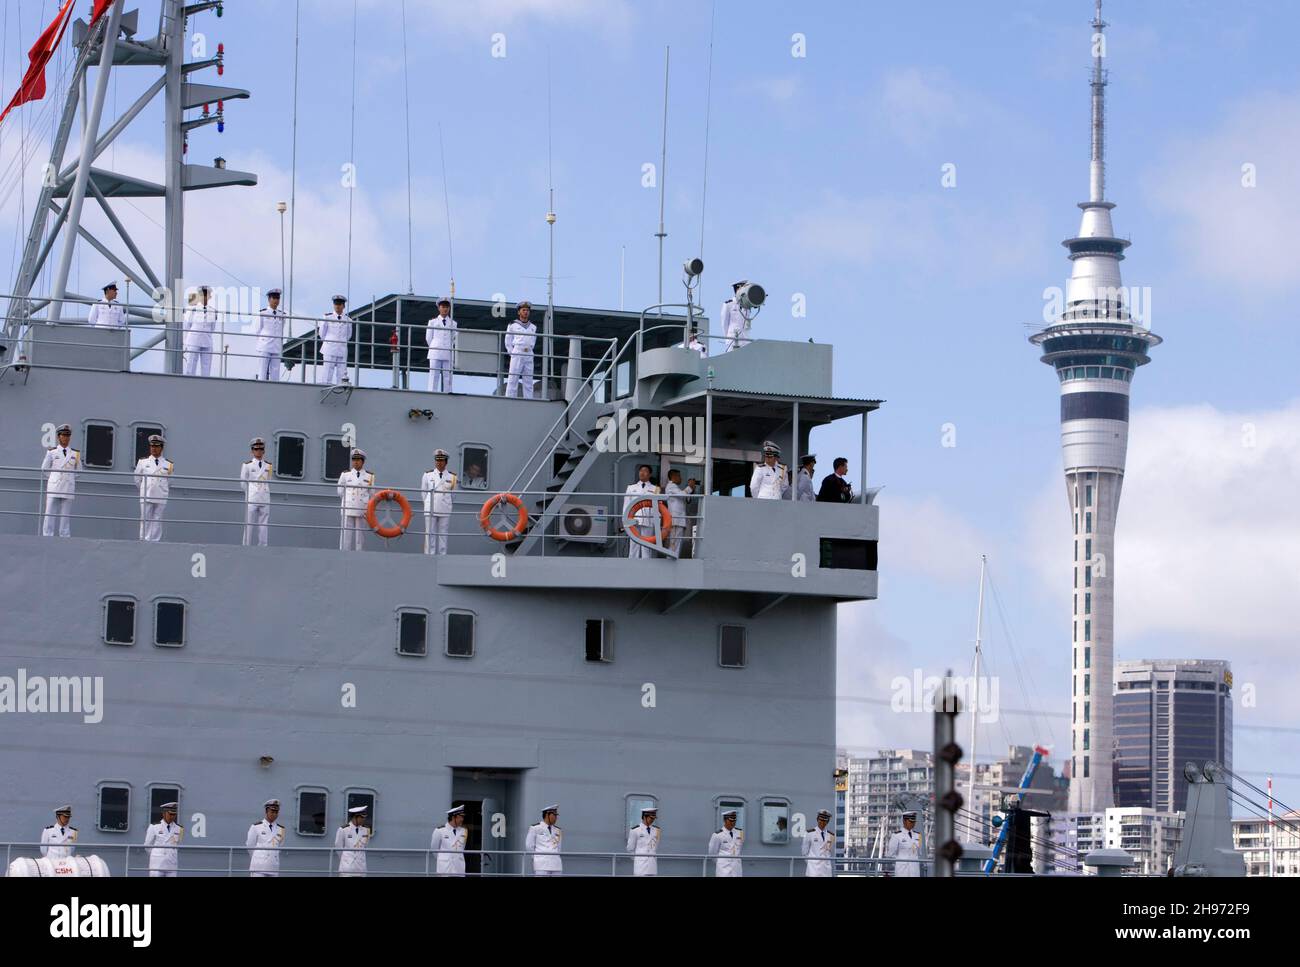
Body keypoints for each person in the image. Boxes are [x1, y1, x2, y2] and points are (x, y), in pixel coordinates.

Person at [41, 423, 78, 537]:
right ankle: (47, 534)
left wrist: (69, 477)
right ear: (58, 437)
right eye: (63, 435)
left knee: (65, 515)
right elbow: (44, 468)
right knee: (49, 513)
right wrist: (54, 477)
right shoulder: (52, 452)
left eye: (68, 435)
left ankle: (64, 535)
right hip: (54, 485)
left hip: (68, 485)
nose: (65, 438)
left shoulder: (75, 453)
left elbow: (78, 471)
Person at [135, 434, 173, 542]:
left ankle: (155, 540)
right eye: (152, 446)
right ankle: (144, 539)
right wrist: (144, 489)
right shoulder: (142, 462)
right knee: (145, 518)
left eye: (156, 446)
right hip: (146, 494)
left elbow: (170, 481)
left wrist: (161, 488)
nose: (153, 449)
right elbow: (137, 479)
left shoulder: (168, 464)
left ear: (161, 448)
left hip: (161, 495)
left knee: (157, 519)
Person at [337, 448, 374, 551]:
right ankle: (343, 552)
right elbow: (340, 491)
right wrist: (347, 501)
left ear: (363, 461)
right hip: (347, 508)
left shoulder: (369, 476)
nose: (355, 462)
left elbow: (371, 493)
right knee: (345, 535)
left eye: (358, 460)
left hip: (362, 508)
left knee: (360, 536)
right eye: (354, 460)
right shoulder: (345, 474)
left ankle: (359, 554)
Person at [420, 448, 457, 555]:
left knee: (443, 534)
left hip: (445, 508)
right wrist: (427, 503)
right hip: (430, 508)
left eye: (441, 460)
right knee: (429, 534)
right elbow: (424, 493)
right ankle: (429, 555)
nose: (439, 463)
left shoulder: (452, 477)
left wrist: (447, 503)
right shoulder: (427, 475)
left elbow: (453, 495)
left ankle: (442, 555)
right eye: (437, 460)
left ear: (446, 462)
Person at [622, 464, 660, 559]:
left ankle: (646, 568)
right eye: (641, 471)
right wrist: (625, 520)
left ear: (649, 474)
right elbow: (626, 505)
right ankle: (631, 566)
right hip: (633, 519)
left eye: (645, 471)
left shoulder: (655, 489)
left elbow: (657, 506)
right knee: (633, 546)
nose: (642, 473)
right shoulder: (631, 487)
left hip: (648, 519)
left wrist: (657, 521)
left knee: (646, 547)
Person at [240, 437, 272, 547]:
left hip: (264, 497)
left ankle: (263, 545)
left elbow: (268, 480)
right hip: (252, 497)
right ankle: (246, 545)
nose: (258, 451)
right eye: (256, 449)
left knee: (264, 524)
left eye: (260, 449)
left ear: (264, 451)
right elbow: (243, 482)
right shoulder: (247, 465)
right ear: (252, 451)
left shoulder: (269, 465)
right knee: (249, 523)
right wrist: (250, 493)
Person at [182, 285, 218, 376]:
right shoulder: (192, 309)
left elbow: (212, 327)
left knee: (206, 365)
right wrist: (185, 341)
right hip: (194, 339)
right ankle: (189, 381)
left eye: (207, 295)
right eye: (203, 295)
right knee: (191, 364)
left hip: (207, 340)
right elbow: (187, 326)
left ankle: (205, 382)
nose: (205, 297)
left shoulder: (213, 311)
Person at [504, 301, 538, 399]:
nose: (526, 312)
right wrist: (513, 353)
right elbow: (508, 340)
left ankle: (528, 399)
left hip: (529, 353)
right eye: (523, 310)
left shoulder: (533, 327)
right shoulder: (513, 325)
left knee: (528, 380)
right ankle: (510, 398)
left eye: (527, 310)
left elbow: (533, 341)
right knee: (513, 378)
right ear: (519, 312)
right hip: (517, 352)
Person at [253, 288, 286, 381]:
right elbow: (257, 330)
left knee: (275, 371)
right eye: (274, 298)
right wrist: (262, 341)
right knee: (262, 370)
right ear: (269, 299)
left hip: (276, 345)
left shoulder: (282, 315)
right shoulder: (262, 313)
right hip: (265, 345)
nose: (276, 300)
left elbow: (281, 329)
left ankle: (275, 387)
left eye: (278, 298)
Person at [318, 296, 353, 384]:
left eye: (339, 304)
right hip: (330, 348)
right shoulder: (327, 317)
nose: (337, 306)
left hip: (342, 349)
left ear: (343, 306)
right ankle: (325, 385)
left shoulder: (348, 319)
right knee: (327, 371)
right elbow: (322, 334)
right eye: (336, 304)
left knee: (342, 373)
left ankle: (340, 388)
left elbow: (349, 335)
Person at [246, 799, 285, 877]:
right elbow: (250, 845)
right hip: (258, 865)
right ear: (266, 811)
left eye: (276, 812)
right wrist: (257, 856)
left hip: (273, 865)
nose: (274, 814)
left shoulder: (281, 829)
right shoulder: (256, 826)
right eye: (272, 811)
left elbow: (280, 846)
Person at [662, 469, 696, 556]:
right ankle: (671, 560)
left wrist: (692, 489)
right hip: (675, 520)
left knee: (676, 543)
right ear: (674, 477)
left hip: (678, 520)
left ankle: (673, 558)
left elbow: (686, 499)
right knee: (673, 543)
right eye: (679, 476)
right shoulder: (671, 486)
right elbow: (682, 494)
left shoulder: (675, 488)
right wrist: (689, 487)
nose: (681, 478)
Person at [143, 802, 183, 877]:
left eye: (174, 814)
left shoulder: (179, 829)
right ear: (164, 814)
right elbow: (147, 845)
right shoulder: (154, 826)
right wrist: (156, 853)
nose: (172, 817)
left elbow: (178, 844)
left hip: (171, 863)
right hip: (157, 863)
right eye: (170, 814)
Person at [426, 298, 456, 393]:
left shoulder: (453, 323)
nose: (445, 309)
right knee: (434, 374)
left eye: (447, 307)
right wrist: (435, 347)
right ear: (439, 308)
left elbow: (454, 338)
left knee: (448, 375)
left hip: (448, 351)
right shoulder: (433, 322)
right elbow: (428, 338)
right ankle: (432, 392)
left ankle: (448, 392)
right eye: (443, 307)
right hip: (435, 351)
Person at [525, 805, 563, 877]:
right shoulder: (535, 828)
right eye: (554, 815)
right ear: (547, 815)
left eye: (556, 815)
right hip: (541, 863)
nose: (556, 818)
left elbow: (559, 848)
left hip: (556, 864)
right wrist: (536, 858)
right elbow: (529, 845)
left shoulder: (558, 830)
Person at [335, 805, 371, 877]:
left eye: (364, 817)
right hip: (347, 865)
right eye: (362, 817)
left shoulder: (366, 830)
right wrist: (346, 858)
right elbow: (338, 846)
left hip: (360, 866)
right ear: (355, 817)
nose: (364, 819)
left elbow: (365, 845)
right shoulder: (343, 829)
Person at [432, 805, 468, 876]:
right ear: (453, 817)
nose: (462, 819)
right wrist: (443, 858)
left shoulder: (464, 831)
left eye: (462, 817)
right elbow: (434, 849)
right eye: (460, 817)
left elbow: (462, 848)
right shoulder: (440, 830)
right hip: (445, 867)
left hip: (459, 867)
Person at [885, 810, 923, 877]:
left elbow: (920, 853)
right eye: (910, 821)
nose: (913, 823)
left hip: (915, 870)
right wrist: (900, 860)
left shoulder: (918, 835)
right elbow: (890, 854)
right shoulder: (896, 835)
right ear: (904, 821)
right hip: (902, 870)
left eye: (914, 822)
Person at [708, 809, 744, 878]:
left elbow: (739, 848)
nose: (733, 823)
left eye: (734, 820)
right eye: (730, 820)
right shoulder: (717, 835)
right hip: (723, 869)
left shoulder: (740, 833)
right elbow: (712, 853)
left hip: (737, 869)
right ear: (725, 820)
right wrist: (721, 862)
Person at [626, 806, 661, 876]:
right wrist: (638, 859)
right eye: (651, 818)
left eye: (654, 818)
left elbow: (655, 846)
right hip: (640, 865)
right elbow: (630, 849)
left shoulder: (657, 830)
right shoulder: (635, 830)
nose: (653, 820)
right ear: (644, 816)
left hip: (652, 865)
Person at [802, 808, 835, 877]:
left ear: (827, 822)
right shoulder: (809, 833)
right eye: (820, 820)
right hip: (813, 870)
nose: (822, 823)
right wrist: (811, 863)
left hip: (826, 869)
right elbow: (804, 852)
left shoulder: (831, 835)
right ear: (817, 819)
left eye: (825, 821)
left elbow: (830, 852)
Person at [721, 280, 750, 352]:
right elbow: (724, 323)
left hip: (745, 339)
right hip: (732, 339)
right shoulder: (728, 304)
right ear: (738, 290)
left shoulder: (747, 305)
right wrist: (728, 337)